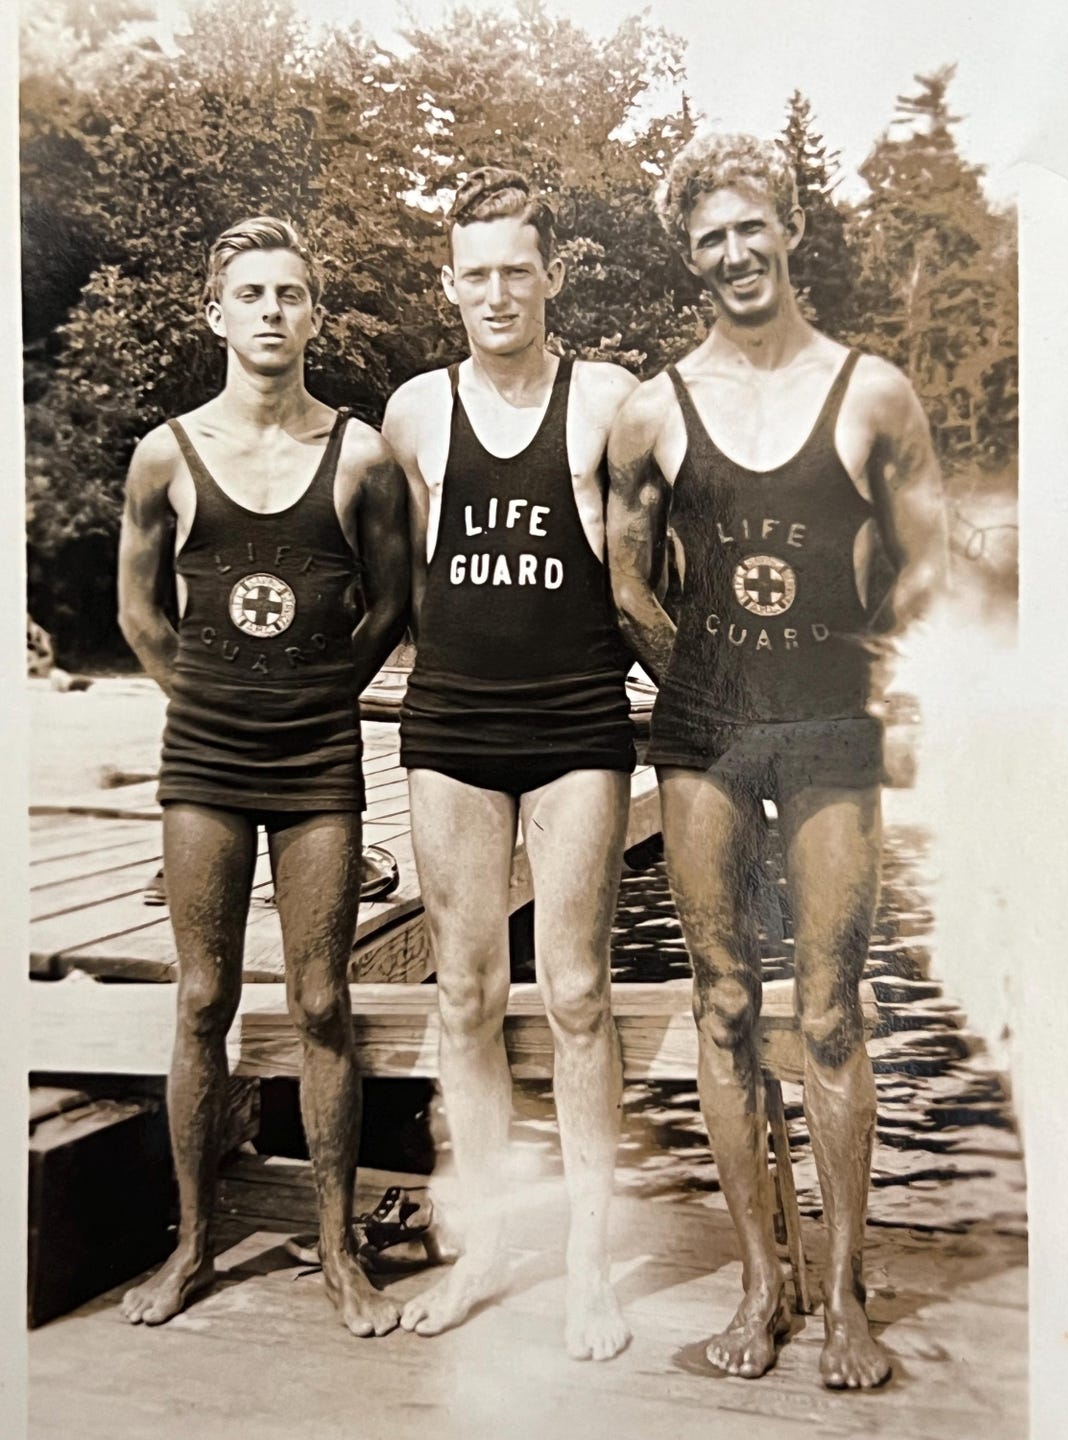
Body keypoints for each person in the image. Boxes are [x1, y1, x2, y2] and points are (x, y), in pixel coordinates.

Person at [606, 133, 948, 1389]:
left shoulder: (872, 391)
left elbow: (926, 563)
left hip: (825, 729)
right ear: (688, 255)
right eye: (710, 239)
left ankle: (846, 1298)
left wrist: (861, 664)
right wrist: (697, 678)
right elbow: (628, 576)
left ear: (789, 228)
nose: (735, 254)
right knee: (723, 1004)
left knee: (834, 1013)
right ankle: (762, 1287)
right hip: (702, 730)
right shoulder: (655, 407)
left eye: (752, 228)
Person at [116, 216, 410, 1336]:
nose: (274, 311)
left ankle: (339, 1253)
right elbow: (138, 610)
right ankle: (194, 1244)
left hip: (318, 752)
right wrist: (194, 697)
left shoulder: (363, 454)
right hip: (205, 756)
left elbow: (392, 600)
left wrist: (328, 691)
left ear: (315, 315)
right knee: (201, 996)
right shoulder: (167, 452)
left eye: (292, 293)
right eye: (253, 293)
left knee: (323, 998)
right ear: (217, 313)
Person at [381, 168, 638, 1360]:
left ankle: (590, 1262)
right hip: (452, 730)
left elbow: (657, 571)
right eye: (473, 272)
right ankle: (483, 1245)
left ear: (552, 276)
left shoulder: (607, 402)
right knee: (466, 993)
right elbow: (386, 587)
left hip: (580, 721)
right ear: (450, 284)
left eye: (515, 269)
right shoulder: (414, 412)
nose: (495, 291)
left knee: (579, 993)